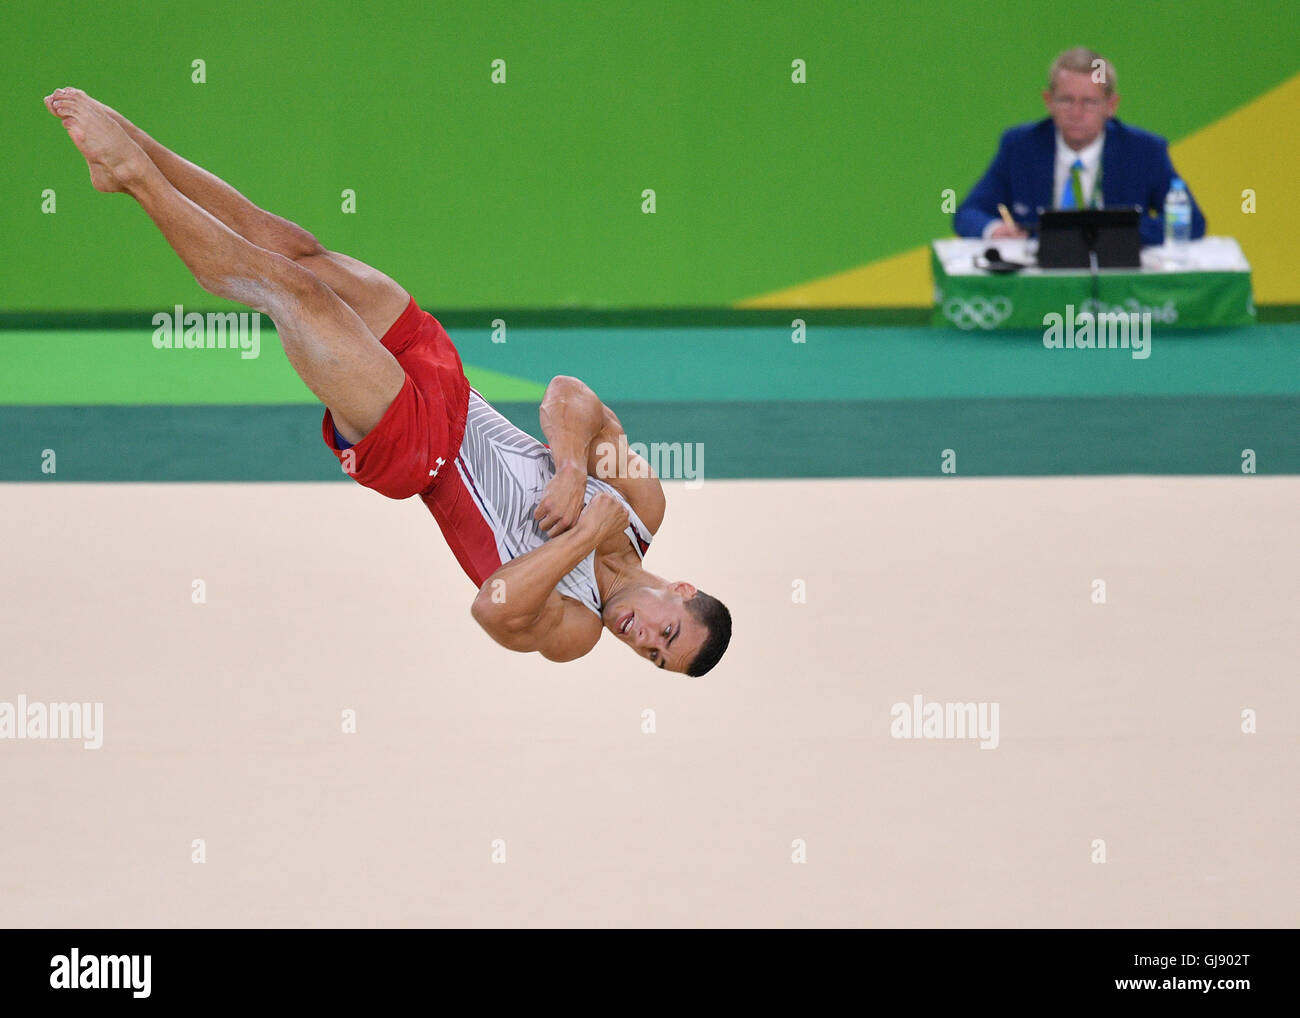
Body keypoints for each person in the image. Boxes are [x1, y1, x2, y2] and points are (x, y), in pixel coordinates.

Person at [44, 87, 731, 675]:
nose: (640, 639)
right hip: (449, 383)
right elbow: (570, 395)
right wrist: (575, 471)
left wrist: (580, 539)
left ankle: (132, 174)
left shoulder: (577, 628)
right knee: (294, 248)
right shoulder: (642, 505)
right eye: (664, 632)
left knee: (290, 293)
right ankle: (139, 144)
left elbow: (491, 606)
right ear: (680, 589)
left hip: (418, 453)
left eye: (651, 657)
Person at [954, 47, 1206, 246]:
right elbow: (968, 212)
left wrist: (1110, 232)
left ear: (1111, 106)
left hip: (1119, 281)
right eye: (1066, 100)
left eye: (1089, 102)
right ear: (1048, 101)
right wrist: (995, 229)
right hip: (1040, 280)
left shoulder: (1144, 151)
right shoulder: (1020, 146)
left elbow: (1192, 221)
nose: (1076, 112)